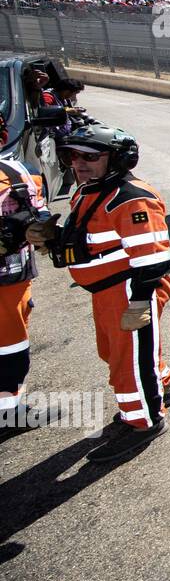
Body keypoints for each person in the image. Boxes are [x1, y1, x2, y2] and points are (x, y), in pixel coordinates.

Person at [26, 124, 170, 463]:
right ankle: (164, 386)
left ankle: (144, 420)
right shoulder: (90, 190)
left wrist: (140, 301)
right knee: (119, 351)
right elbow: (91, 241)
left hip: (129, 291)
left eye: (90, 157)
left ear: (117, 158)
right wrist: (54, 240)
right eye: (72, 156)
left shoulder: (131, 198)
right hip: (109, 291)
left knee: (128, 360)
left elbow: (154, 259)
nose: (78, 164)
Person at [0, 115, 53, 431]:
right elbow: (38, 212)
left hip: (13, 276)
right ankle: (8, 411)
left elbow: (38, 214)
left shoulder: (16, 172)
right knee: (9, 345)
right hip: (8, 280)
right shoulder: (16, 171)